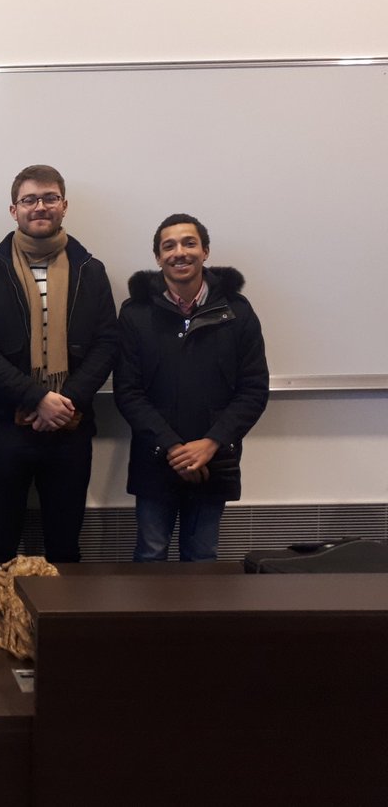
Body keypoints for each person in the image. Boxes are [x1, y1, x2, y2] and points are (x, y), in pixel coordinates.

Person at [0, 164, 118, 565]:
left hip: (71, 425)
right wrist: (36, 397)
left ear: (64, 205)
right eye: (29, 199)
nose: (40, 207)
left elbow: (107, 343)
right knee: (0, 543)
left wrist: (64, 402)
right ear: (13, 210)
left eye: (50, 198)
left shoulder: (90, 270)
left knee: (65, 548)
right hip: (6, 425)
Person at [114, 213, 269, 561]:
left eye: (189, 243)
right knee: (150, 554)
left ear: (205, 251)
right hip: (155, 457)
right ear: (158, 257)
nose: (179, 252)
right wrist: (171, 446)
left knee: (202, 558)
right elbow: (128, 391)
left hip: (215, 459)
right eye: (169, 246)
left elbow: (254, 389)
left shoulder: (237, 312)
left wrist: (210, 443)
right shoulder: (135, 314)